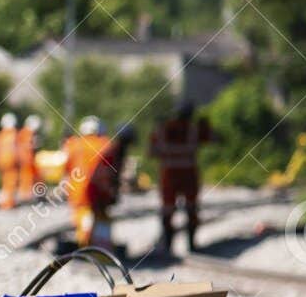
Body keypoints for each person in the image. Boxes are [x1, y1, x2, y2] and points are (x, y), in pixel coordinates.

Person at [149, 101, 214, 253]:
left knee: (167, 209)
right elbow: (213, 138)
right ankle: (191, 246)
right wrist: (206, 124)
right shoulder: (194, 128)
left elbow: (151, 151)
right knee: (191, 209)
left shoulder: (162, 128)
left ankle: (167, 246)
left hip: (169, 174)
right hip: (188, 174)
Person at [81, 124, 135, 250]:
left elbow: (113, 175)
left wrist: (113, 190)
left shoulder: (118, 151)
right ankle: (94, 247)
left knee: (101, 218)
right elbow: (104, 175)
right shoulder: (114, 151)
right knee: (98, 217)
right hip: (97, 190)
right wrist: (110, 192)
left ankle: (98, 246)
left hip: (100, 189)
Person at [62, 116, 113, 247]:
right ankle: (99, 247)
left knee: (83, 219)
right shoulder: (106, 144)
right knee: (100, 219)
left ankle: (84, 246)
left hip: (79, 191)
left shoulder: (73, 144)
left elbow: (66, 166)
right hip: (100, 190)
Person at [0, 114, 21, 209]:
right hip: (12, 162)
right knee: (11, 183)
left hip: (2, 162)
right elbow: (17, 150)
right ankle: (8, 203)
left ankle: (4, 203)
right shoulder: (14, 134)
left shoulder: (0, 135)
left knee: (5, 183)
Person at [18, 115, 42, 199]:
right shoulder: (27, 133)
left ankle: (27, 194)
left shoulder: (23, 132)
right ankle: (26, 195)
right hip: (27, 160)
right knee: (27, 177)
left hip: (25, 159)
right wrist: (35, 144)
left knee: (28, 177)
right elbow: (28, 146)